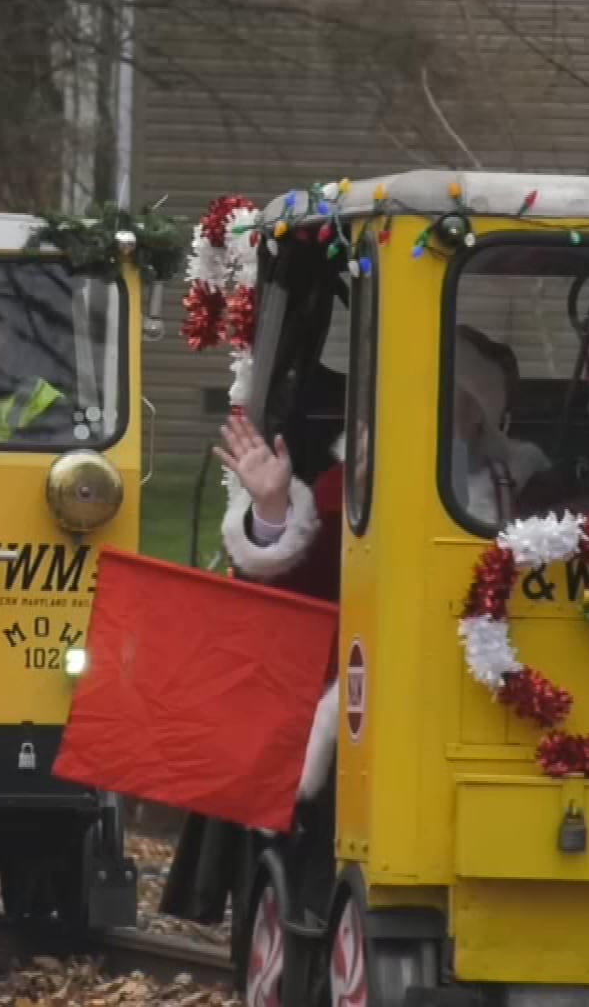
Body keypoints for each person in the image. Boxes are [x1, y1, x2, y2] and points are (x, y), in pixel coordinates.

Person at [159, 327, 548, 930]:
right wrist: (273, 507)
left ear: (478, 415)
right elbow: (294, 578)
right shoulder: (355, 481)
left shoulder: (522, 485)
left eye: (450, 401)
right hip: (374, 686)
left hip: (498, 679)